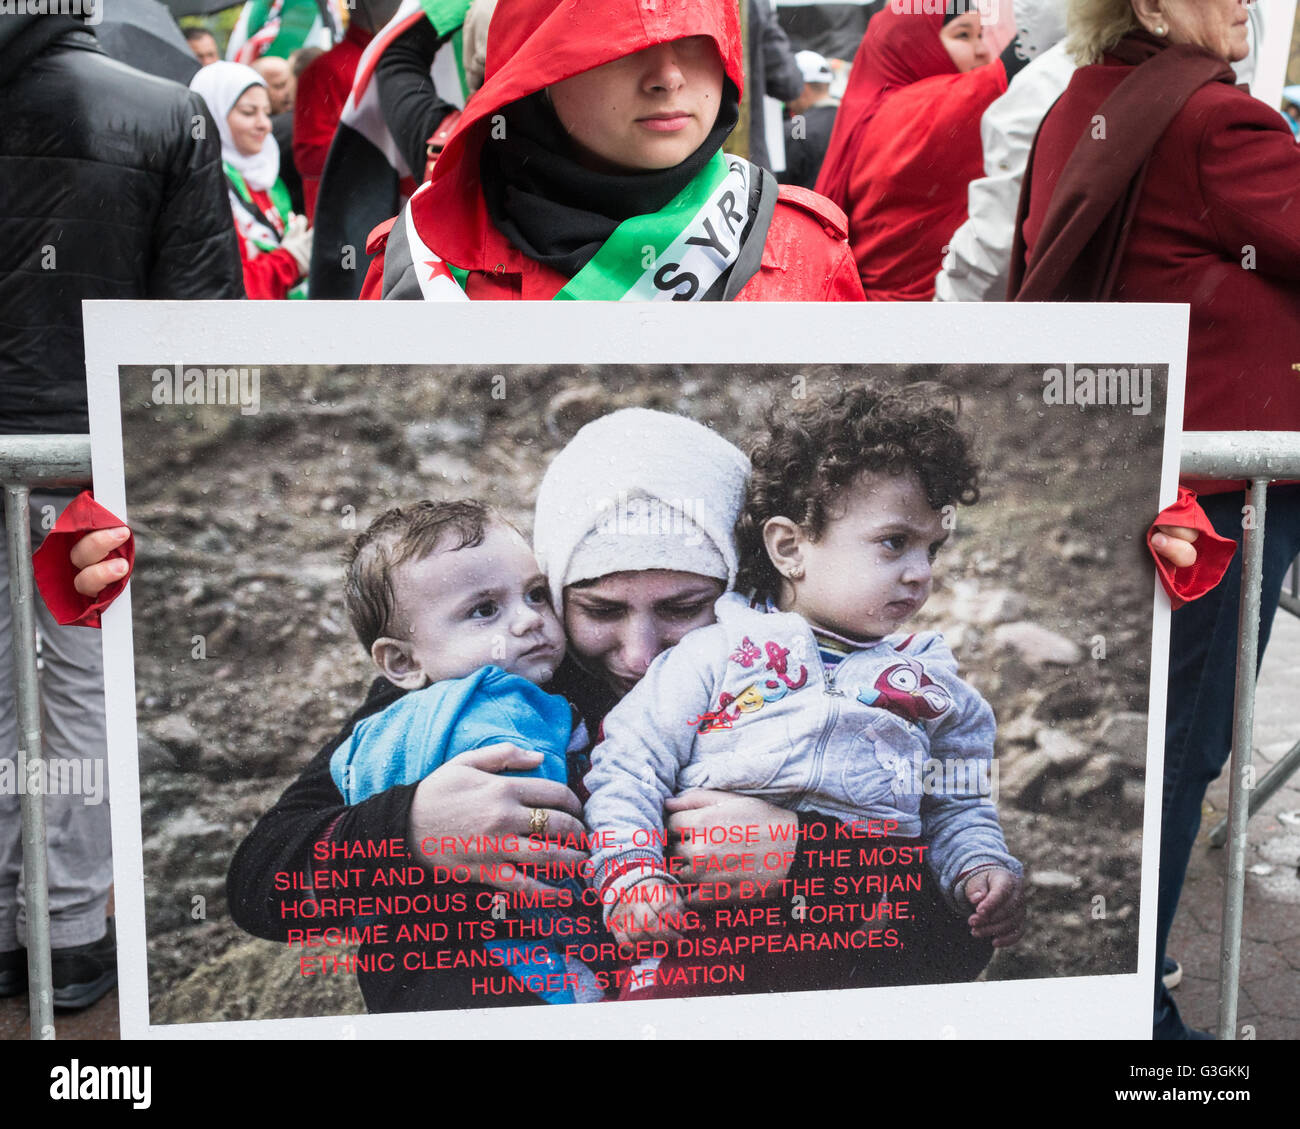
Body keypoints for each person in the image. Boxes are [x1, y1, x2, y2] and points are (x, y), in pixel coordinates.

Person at [1010, 0, 1300, 1040]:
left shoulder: (1082, 100)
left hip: (1140, 472)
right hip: (1214, 503)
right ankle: (1128, 1003)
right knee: (1179, 748)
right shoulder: (1217, 121)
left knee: (1148, 740)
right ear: (1143, 6)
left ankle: (1105, 966)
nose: (1242, 6)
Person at [584, 385, 1024, 999]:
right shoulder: (714, 656)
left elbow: (958, 804)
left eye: (932, 547)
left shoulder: (937, 690)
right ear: (790, 547)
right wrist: (631, 875)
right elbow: (629, 767)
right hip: (705, 937)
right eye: (894, 542)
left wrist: (980, 868)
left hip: (857, 950)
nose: (920, 571)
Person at [0, 6, 242, 1010]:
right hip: (89, 463)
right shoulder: (165, 111)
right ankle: (64, 927)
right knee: (81, 683)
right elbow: (196, 321)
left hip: (64, 455)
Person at [363, 0, 866, 301]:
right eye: (619, 46)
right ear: (534, 72)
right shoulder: (421, 261)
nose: (668, 77)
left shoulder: (808, 250)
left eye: (694, 37)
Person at [328, 500, 602, 1004]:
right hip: (529, 941)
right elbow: (549, 834)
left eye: (537, 595)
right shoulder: (500, 714)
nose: (529, 621)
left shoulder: (380, 732)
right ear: (403, 662)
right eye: (484, 610)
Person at [815, 1, 1006, 300]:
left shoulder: (867, 113)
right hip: (928, 326)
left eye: (981, 35)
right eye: (963, 35)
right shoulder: (916, 113)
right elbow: (1010, 72)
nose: (982, 50)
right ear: (912, 45)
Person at [191, 61, 314, 300]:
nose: (264, 125)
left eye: (267, 113)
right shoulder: (205, 187)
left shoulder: (265, 175)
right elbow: (230, 287)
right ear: (212, 114)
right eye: (249, 112)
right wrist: (291, 260)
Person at [779, 49, 839, 190]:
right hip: (841, 210)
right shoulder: (850, 121)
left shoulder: (796, 128)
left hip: (807, 208)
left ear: (802, 88)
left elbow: (783, 184)